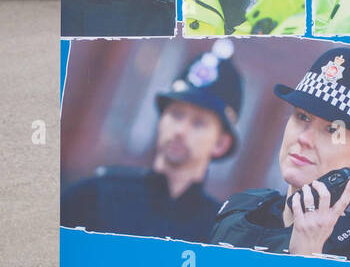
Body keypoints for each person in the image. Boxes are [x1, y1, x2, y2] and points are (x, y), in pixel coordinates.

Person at [210, 46, 350, 262]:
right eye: (302, 117)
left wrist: (307, 256)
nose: (304, 138)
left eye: (332, 129)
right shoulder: (237, 213)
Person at [61, 43, 241, 243]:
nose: (180, 130)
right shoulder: (94, 198)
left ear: (220, 144)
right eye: (176, 114)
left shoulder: (221, 235)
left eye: (199, 123)